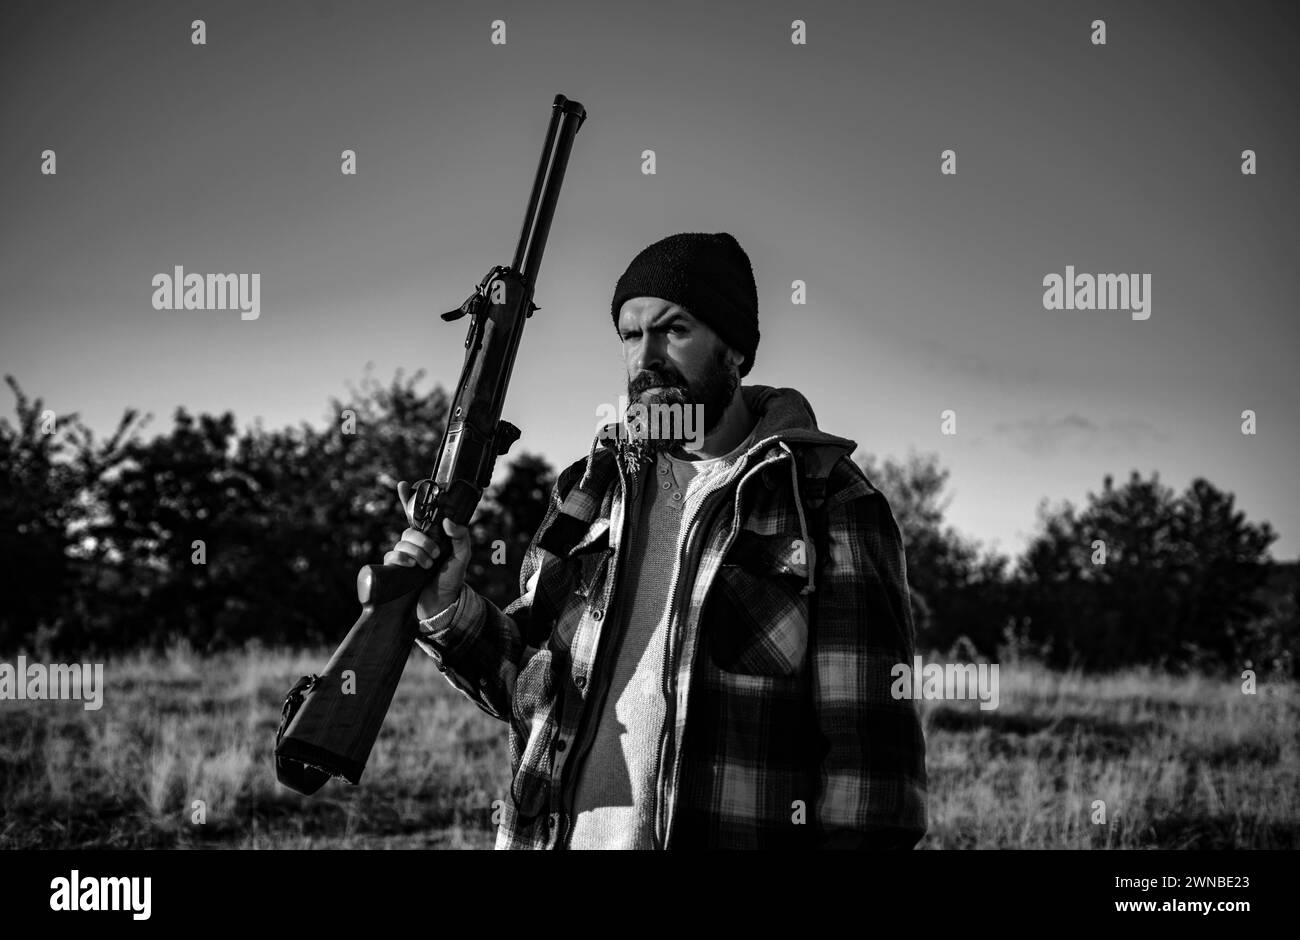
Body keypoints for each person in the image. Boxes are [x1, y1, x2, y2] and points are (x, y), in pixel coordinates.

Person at [385, 231, 927, 849]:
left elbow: (874, 778)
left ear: (736, 352)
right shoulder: (588, 488)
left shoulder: (828, 502)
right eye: (629, 334)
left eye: (675, 330)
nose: (646, 358)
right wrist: (448, 606)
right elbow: (532, 686)